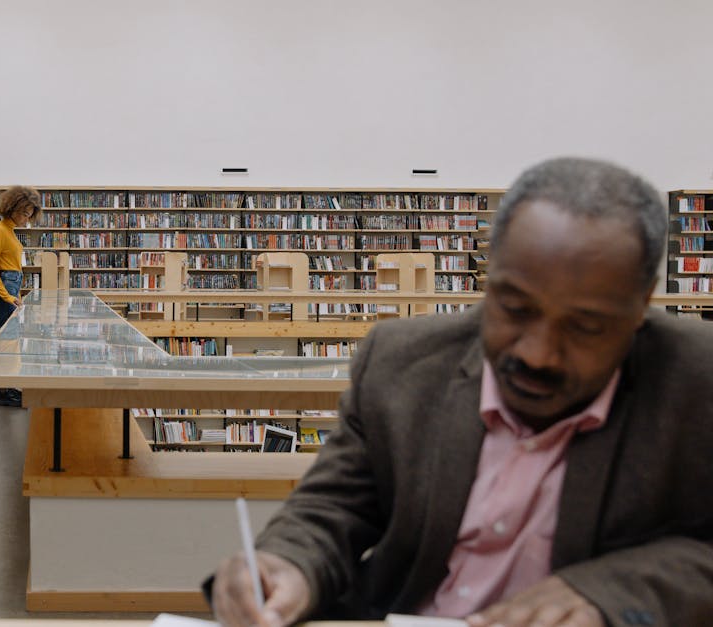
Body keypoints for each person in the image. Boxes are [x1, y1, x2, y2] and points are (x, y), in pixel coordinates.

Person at [209, 158, 713, 626]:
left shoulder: (697, 380)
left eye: (585, 327)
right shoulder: (402, 362)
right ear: (488, 276)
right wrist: (289, 564)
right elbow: (335, 509)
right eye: (514, 308)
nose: (538, 354)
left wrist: (611, 591)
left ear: (641, 306)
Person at [0, 185, 39, 407]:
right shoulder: (0, 230)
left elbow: (13, 267)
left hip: (12, 288)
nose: (26, 219)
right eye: (24, 213)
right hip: (5, 290)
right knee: (6, 339)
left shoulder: (10, 231)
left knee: (10, 339)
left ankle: (4, 386)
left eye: (29, 215)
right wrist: (8, 297)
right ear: (12, 208)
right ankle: (2, 390)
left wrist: (16, 293)